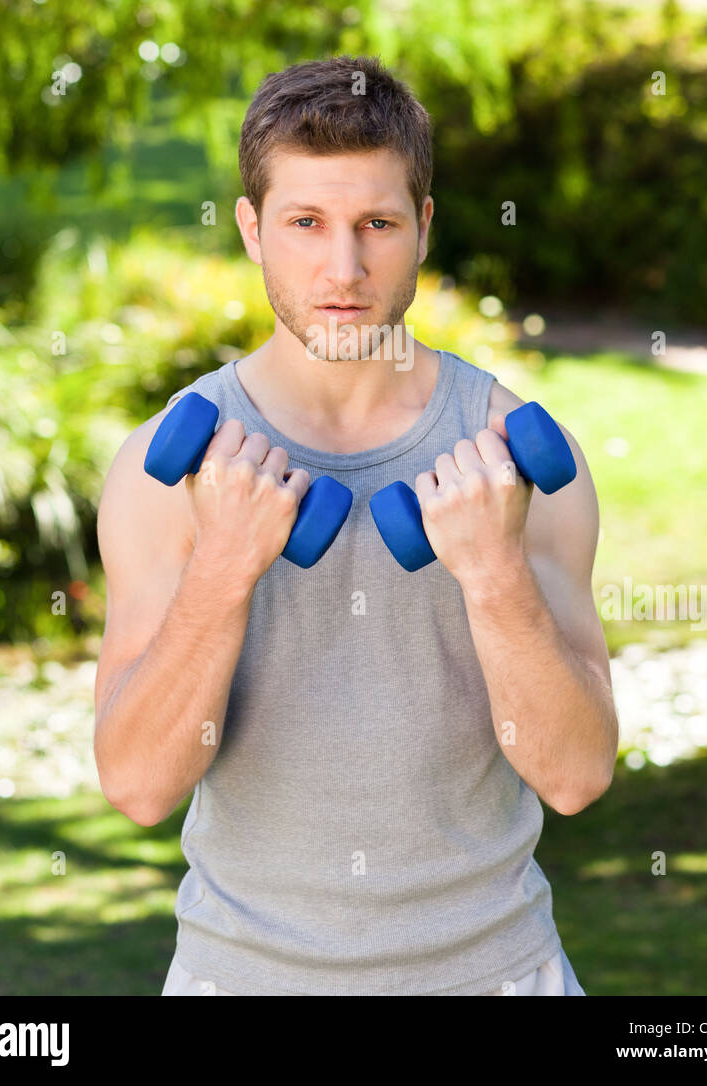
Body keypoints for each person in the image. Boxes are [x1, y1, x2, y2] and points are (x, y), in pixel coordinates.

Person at [94, 55, 618, 996]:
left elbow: (575, 775)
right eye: (305, 223)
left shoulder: (522, 460)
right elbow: (136, 786)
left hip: (496, 975)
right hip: (241, 980)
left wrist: (494, 573)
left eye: (375, 223)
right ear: (252, 229)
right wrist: (222, 567)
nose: (343, 268)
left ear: (422, 227)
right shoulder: (161, 467)